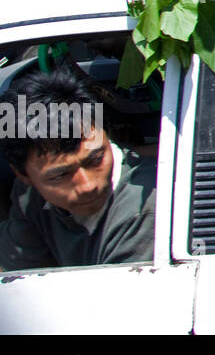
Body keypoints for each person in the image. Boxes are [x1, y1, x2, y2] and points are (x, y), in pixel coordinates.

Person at [0, 67, 156, 271]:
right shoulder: (29, 197)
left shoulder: (145, 209)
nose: (88, 185)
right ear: (23, 175)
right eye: (60, 175)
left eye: (96, 159)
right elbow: (22, 274)